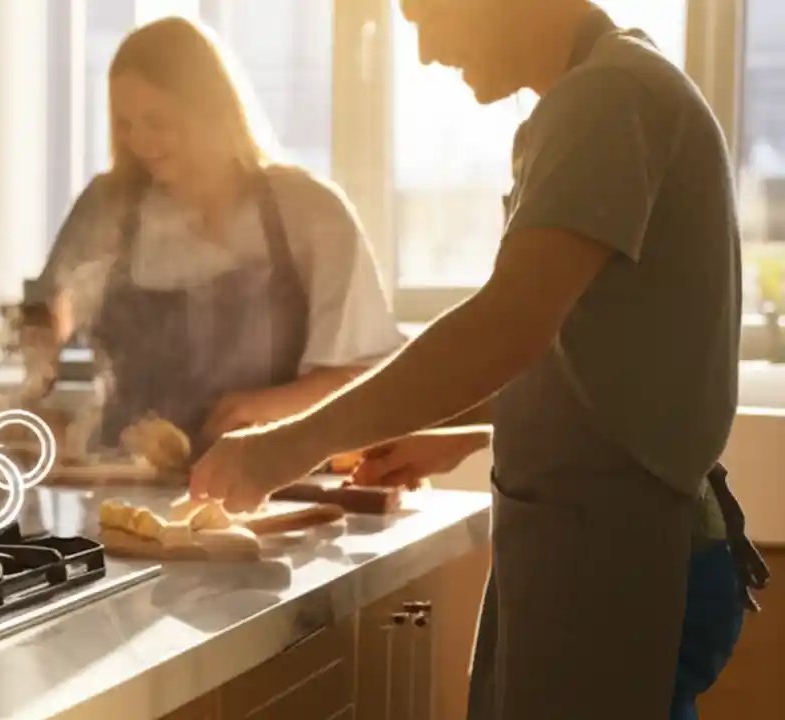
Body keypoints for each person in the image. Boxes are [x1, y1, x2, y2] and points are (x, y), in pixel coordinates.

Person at [190, 1, 764, 717]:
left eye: (426, 17)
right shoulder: (617, 84)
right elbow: (593, 349)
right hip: (616, 541)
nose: (426, 52)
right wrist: (462, 433)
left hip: (618, 553)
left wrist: (293, 443)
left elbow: (506, 325)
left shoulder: (606, 99)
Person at [26, 17, 403, 457]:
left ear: (211, 110)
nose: (140, 141)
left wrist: (268, 408)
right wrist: (41, 395)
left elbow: (363, 376)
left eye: (157, 121)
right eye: (126, 124)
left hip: (266, 471)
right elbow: (42, 311)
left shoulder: (309, 211)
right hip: (121, 471)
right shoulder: (108, 204)